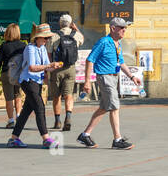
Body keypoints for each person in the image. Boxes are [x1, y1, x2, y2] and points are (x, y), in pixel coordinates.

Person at [80, 18, 134, 150]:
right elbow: (90, 60)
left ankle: (85, 135)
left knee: (104, 108)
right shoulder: (104, 42)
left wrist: (132, 76)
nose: (124, 30)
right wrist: (87, 81)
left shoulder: (117, 43)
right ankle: (117, 139)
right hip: (105, 77)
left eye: (125, 28)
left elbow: (121, 62)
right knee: (115, 107)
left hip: (113, 78)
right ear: (113, 28)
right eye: (121, 28)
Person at [8, 24, 57, 148]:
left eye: (48, 38)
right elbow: (32, 67)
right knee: (40, 107)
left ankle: (14, 138)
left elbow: (46, 66)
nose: (47, 41)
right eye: (45, 38)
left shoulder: (42, 49)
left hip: (37, 82)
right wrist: (48, 66)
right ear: (38, 37)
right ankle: (46, 139)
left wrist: (54, 66)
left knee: (26, 111)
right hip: (28, 81)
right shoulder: (30, 49)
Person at [47, 14, 84, 132]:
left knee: (56, 96)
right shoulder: (75, 35)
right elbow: (82, 39)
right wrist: (76, 28)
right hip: (70, 68)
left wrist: (50, 67)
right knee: (68, 94)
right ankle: (68, 117)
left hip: (57, 67)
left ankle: (57, 121)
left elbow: (48, 52)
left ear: (60, 23)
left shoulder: (54, 36)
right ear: (70, 23)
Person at [0, 23, 27, 129]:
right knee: (18, 95)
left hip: (6, 73)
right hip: (18, 74)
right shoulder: (23, 45)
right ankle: (18, 117)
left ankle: (11, 120)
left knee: (9, 98)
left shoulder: (4, 46)